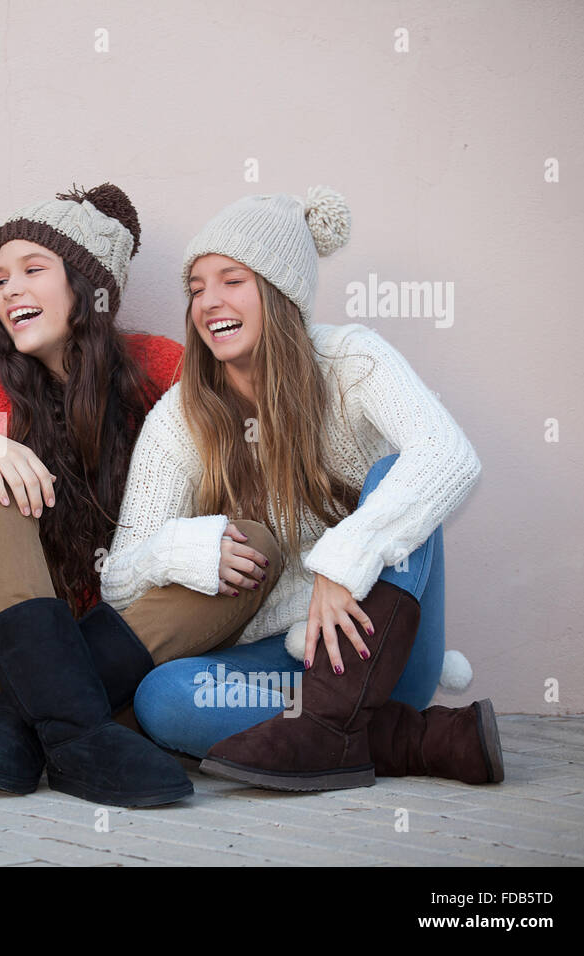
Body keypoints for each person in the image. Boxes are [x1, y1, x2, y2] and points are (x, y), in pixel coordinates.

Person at [0, 184, 266, 808]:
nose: (9, 291)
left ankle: (33, 727)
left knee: (255, 543)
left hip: (119, 682)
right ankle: (70, 730)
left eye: (32, 270)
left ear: (87, 285)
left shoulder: (162, 369)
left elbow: (257, 454)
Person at [101, 187, 503, 791]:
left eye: (231, 280)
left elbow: (449, 456)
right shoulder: (180, 419)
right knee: (163, 700)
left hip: (382, 645)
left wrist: (345, 562)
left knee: (397, 474)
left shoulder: (353, 361)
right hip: (283, 660)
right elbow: (119, 577)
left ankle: (336, 726)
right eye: (196, 287)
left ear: (280, 290)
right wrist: (180, 549)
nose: (209, 302)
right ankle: (410, 737)